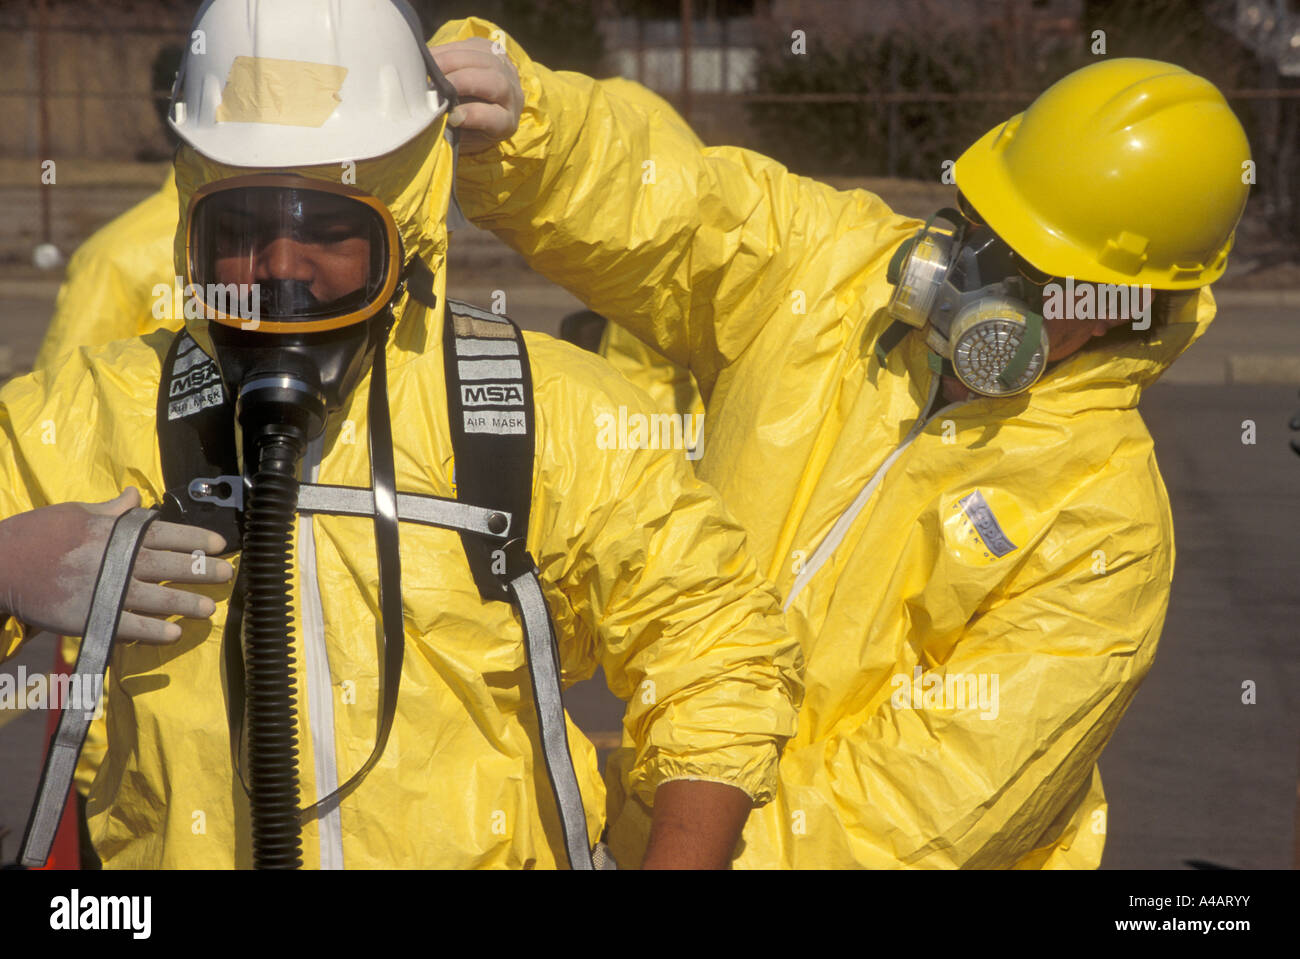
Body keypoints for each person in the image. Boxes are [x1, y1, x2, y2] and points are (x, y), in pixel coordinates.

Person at [431, 19, 1251, 868]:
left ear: (1129, 304)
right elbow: (683, 213)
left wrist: (691, 837)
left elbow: (915, 809)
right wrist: (536, 130)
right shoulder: (833, 275)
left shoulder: (1105, 525)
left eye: (1044, 278)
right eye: (986, 233)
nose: (986, 280)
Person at [1, 0, 801, 869]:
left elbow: (715, 652)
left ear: (406, 218)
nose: (280, 266)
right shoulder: (98, 409)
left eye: (329, 224)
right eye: (242, 225)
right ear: (194, 209)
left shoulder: (546, 412)